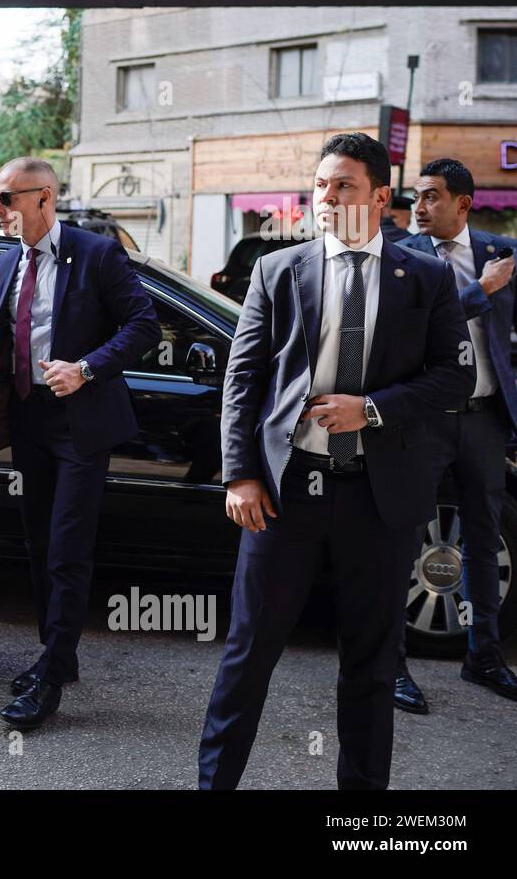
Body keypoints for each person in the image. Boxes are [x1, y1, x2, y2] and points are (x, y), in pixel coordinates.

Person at [199, 133, 474, 789]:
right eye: (320, 185)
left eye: (343, 185)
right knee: (247, 655)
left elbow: (452, 378)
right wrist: (239, 471)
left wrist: (372, 409)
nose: (326, 197)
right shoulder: (279, 269)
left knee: (372, 667)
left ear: (380, 197)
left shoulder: (427, 277)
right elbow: (243, 378)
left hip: (376, 499)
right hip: (286, 491)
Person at [0, 156, 160, 729]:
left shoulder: (96, 254)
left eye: (7, 199)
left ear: (44, 198)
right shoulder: (4, 264)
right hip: (27, 420)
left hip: (80, 424)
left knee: (68, 547)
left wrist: (87, 368)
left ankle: (49, 680)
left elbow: (143, 325)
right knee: (37, 544)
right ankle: (59, 655)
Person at [394, 158, 517, 710]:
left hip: (485, 419)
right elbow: (410, 326)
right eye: (416, 197)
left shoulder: (501, 253)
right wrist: (479, 292)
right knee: (400, 538)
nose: (418, 208)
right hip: (425, 420)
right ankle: (390, 664)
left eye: (430, 197)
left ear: (463, 205)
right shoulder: (401, 255)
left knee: (484, 541)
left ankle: (484, 657)